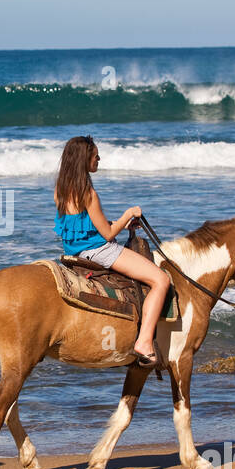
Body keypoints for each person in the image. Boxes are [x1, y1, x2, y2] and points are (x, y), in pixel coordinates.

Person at [53, 135, 170, 367]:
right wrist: (128, 214)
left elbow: (85, 225)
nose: (99, 159)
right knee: (161, 280)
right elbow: (107, 235)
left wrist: (118, 224)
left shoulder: (61, 190)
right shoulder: (89, 193)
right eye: (96, 156)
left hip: (75, 251)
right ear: (84, 159)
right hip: (97, 251)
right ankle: (145, 342)